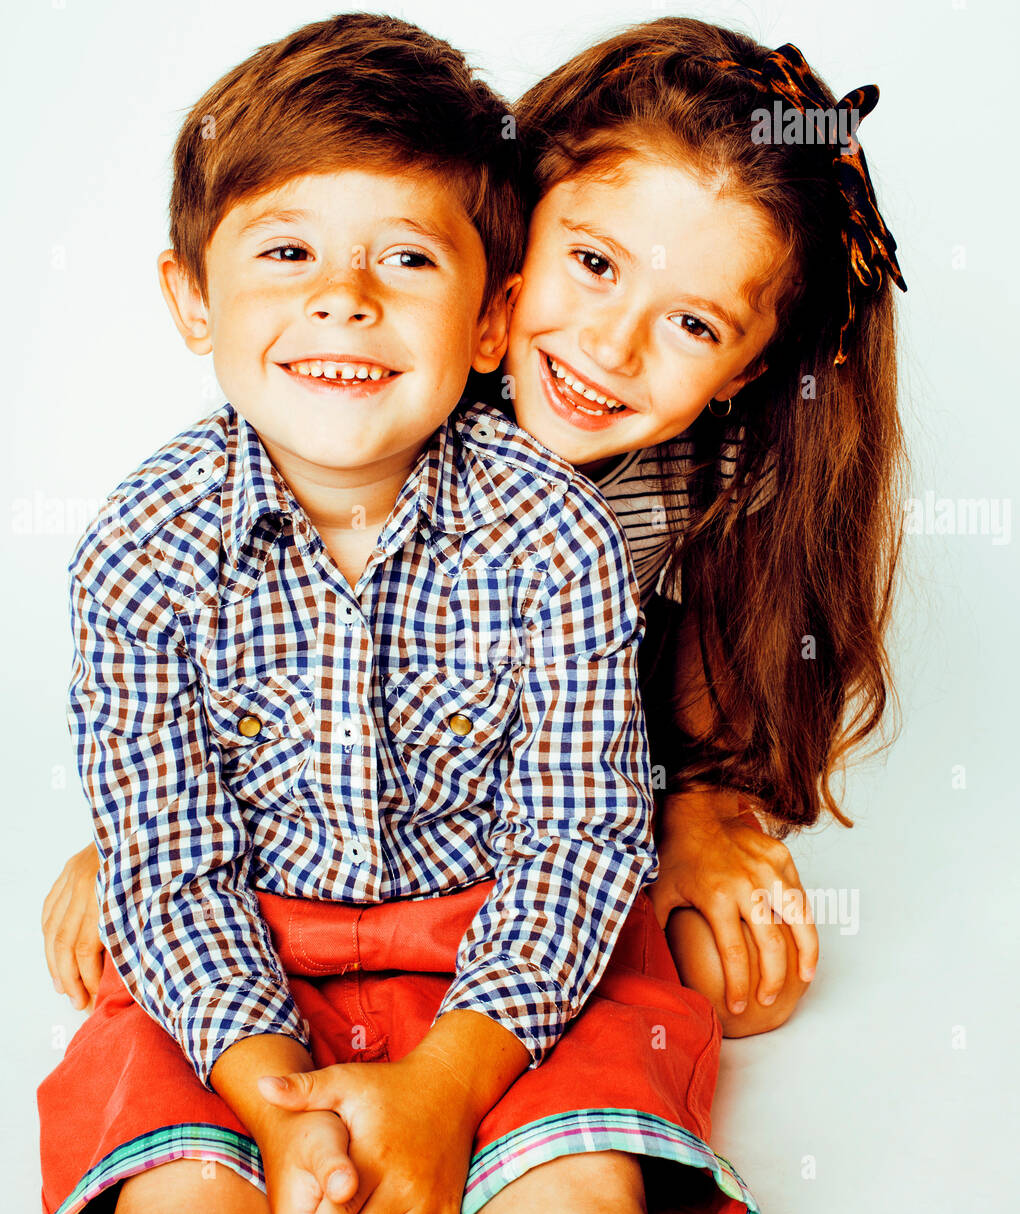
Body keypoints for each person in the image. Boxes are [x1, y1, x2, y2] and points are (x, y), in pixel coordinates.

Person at [27, 12, 760, 1214]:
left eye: (408, 258)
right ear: (192, 299)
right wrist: (280, 1106)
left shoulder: (556, 534)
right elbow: (171, 867)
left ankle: (532, 1187)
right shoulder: (141, 549)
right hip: (244, 956)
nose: (344, 297)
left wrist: (441, 1087)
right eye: (290, 250)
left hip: (520, 958)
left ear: (488, 321)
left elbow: (580, 842)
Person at [45, 17, 907, 1039]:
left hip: (556, 804)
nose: (610, 347)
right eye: (591, 262)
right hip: (309, 802)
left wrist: (703, 802)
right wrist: (139, 845)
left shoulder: (706, 467)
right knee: (150, 939)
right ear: (518, 221)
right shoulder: (388, 387)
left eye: (693, 324)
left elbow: (708, 637)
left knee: (728, 982)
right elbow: (230, 631)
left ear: (749, 367)